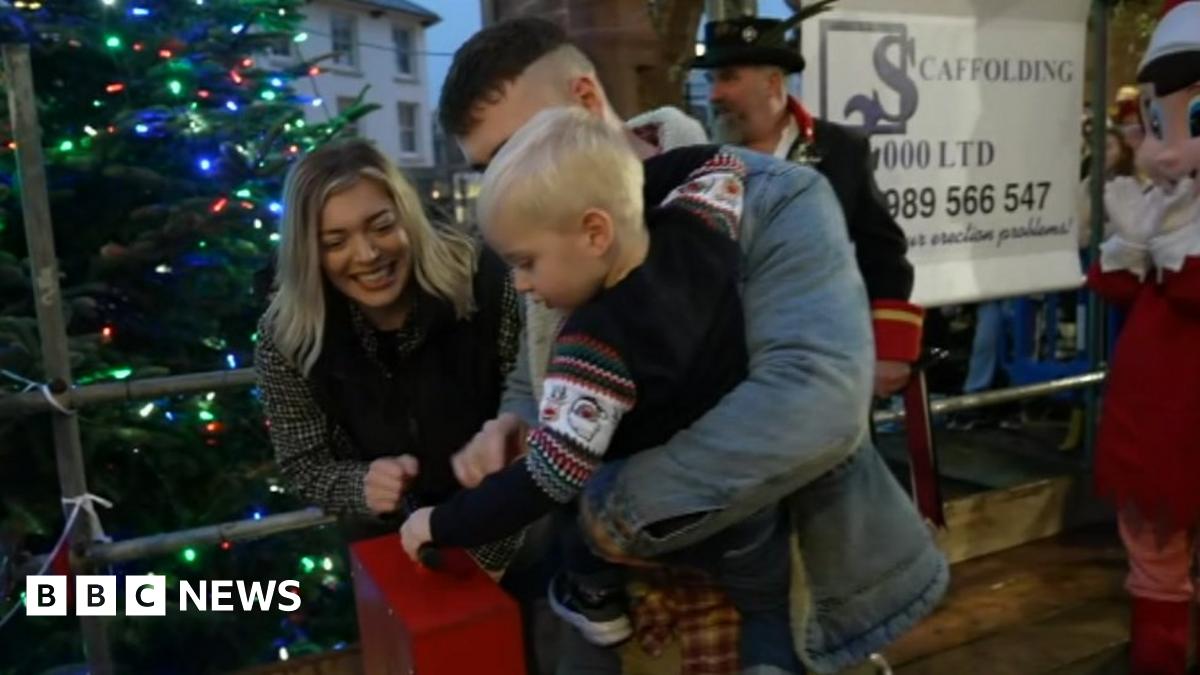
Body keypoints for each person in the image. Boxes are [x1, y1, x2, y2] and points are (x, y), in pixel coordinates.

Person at [440, 17, 947, 675]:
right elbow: (534, 370)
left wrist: (603, 508)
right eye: (490, 166)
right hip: (608, 607)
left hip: (764, 585)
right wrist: (516, 421)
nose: (508, 174)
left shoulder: (776, 195)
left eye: (517, 146)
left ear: (588, 101)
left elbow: (817, 401)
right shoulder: (539, 218)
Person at [401, 106, 796, 669]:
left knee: (574, 490)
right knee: (766, 612)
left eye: (526, 262)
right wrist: (624, 187)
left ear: (594, 232)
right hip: (751, 504)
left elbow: (547, 480)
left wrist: (440, 523)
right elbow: (720, 161)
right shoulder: (698, 231)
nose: (520, 283)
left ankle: (595, 598)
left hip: (662, 517)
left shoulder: (590, 344)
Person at [254, 138, 521, 571]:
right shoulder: (287, 336)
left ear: (408, 218)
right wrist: (359, 485)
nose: (367, 255)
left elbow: (534, 397)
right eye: (335, 241)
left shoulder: (485, 283)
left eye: (381, 226)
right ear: (309, 253)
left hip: (514, 536)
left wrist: (507, 438)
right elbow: (303, 462)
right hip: (396, 553)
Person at [692, 15, 923, 399]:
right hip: (723, 368)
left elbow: (881, 252)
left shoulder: (840, 150)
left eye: (729, 77)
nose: (714, 94)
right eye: (710, 80)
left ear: (773, 81)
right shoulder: (697, 156)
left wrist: (889, 351)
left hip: (823, 362)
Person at [1087, 2, 1200, 672]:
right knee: (1153, 558)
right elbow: (1113, 286)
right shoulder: (1161, 204)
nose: (1166, 145)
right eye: (1158, 122)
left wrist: (1163, 252)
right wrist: (1131, 244)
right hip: (1155, 413)